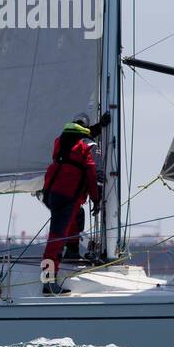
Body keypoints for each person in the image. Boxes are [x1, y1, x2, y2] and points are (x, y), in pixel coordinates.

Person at [39, 114, 108, 295]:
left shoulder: (61, 141)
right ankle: (48, 282)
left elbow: (81, 139)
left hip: (52, 192)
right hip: (68, 196)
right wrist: (96, 199)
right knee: (56, 238)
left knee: (77, 216)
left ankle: (72, 252)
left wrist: (99, 126)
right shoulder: (86, 147)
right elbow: (92, 175)